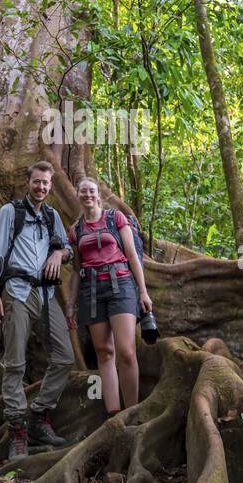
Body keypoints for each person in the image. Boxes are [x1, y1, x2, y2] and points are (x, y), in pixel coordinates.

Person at [0, 161, 74, 460]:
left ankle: (38, 416)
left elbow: (68, 249)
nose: (42, 187)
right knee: (15, 363)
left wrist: (58, 254)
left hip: (47, 294)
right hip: (17, 292)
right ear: (28, 182)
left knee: (64, 358)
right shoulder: (10, 212)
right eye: (37, 182)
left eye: (46, 183)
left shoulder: (52, 215)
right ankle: (18, 432)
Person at [66, 176, 153, 416]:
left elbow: (133, 256)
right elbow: (75, 270)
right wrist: (71, 305)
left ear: (98, 194)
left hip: (121, 285)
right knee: (104, 351)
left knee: (126, 352)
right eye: (83, 191)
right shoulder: (76, 230)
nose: (87, 195)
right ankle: (113, 413)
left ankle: (132, 411)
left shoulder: (115, 218)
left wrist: (143, 291)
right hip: (91, 290)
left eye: (91, 191)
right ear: (78, 196)